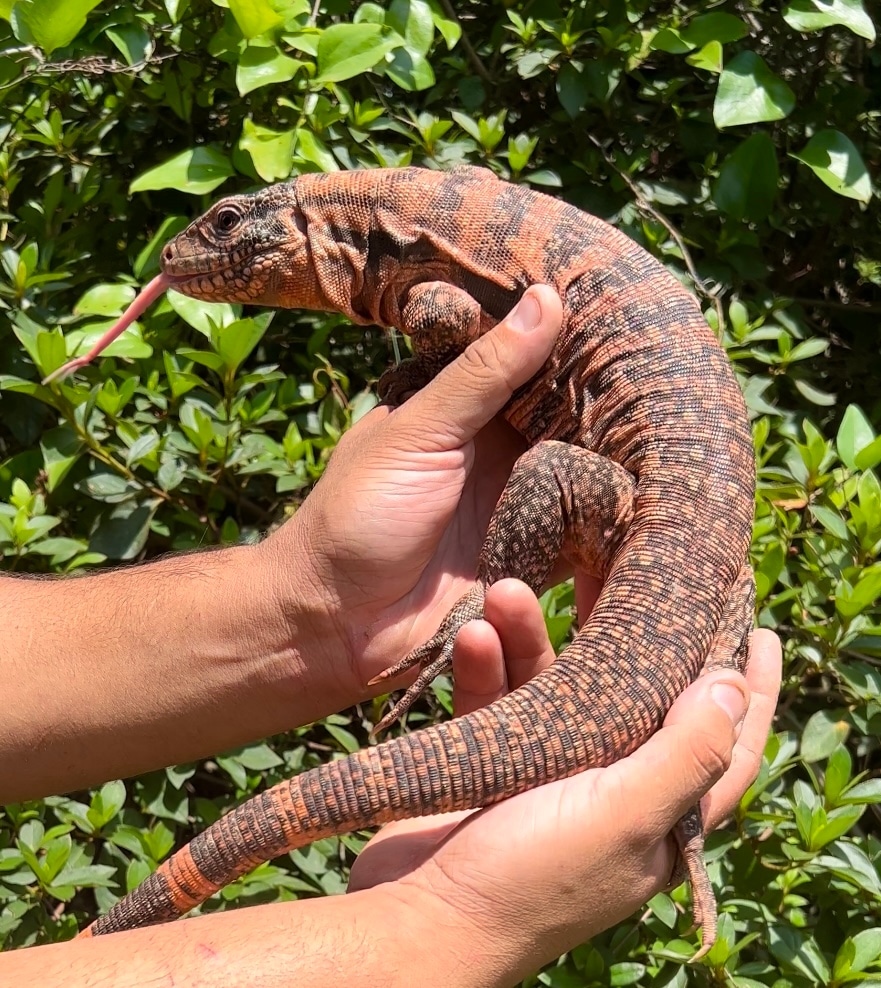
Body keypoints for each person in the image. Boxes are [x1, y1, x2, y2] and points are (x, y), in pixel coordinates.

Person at [0, 286, 781, 986]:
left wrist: (330, 604)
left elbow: (505, 404)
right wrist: (445, 924)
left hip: (671, 526)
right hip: (693, 541)